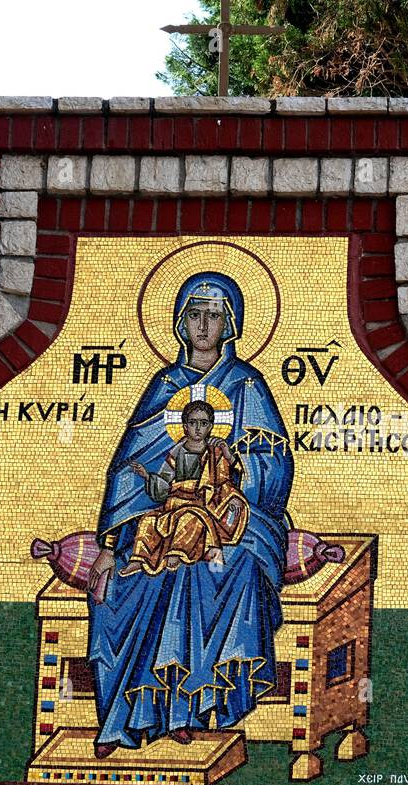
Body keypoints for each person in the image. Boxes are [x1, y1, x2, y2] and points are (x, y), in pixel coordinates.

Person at [88, 272, 292, 753]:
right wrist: (108, 545)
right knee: (122, 582)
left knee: (224, 568)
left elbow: (274, 462)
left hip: (231, 517)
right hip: (164, 515)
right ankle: (135, 716)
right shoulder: (165, 386)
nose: (204, 326)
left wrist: (237, 474)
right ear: (181, 323)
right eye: (195, 315)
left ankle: (194, 705)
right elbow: (130, 466)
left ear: (231, 324)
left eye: (215, 316)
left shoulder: (247, 386)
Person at [123, 399, 249, 574]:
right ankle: (140, 559)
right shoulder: (176, 452)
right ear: (184, 426)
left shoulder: (215, 452)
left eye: (203, 423)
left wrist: (228, 456)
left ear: (210, 426)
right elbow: (164, 486)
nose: (198, 428)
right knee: (149, 520)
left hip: (201, 505)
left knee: (189, 519)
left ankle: (176, 553)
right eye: (192, 423)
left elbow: (225, 481)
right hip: (173, 504)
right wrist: (147, 476)